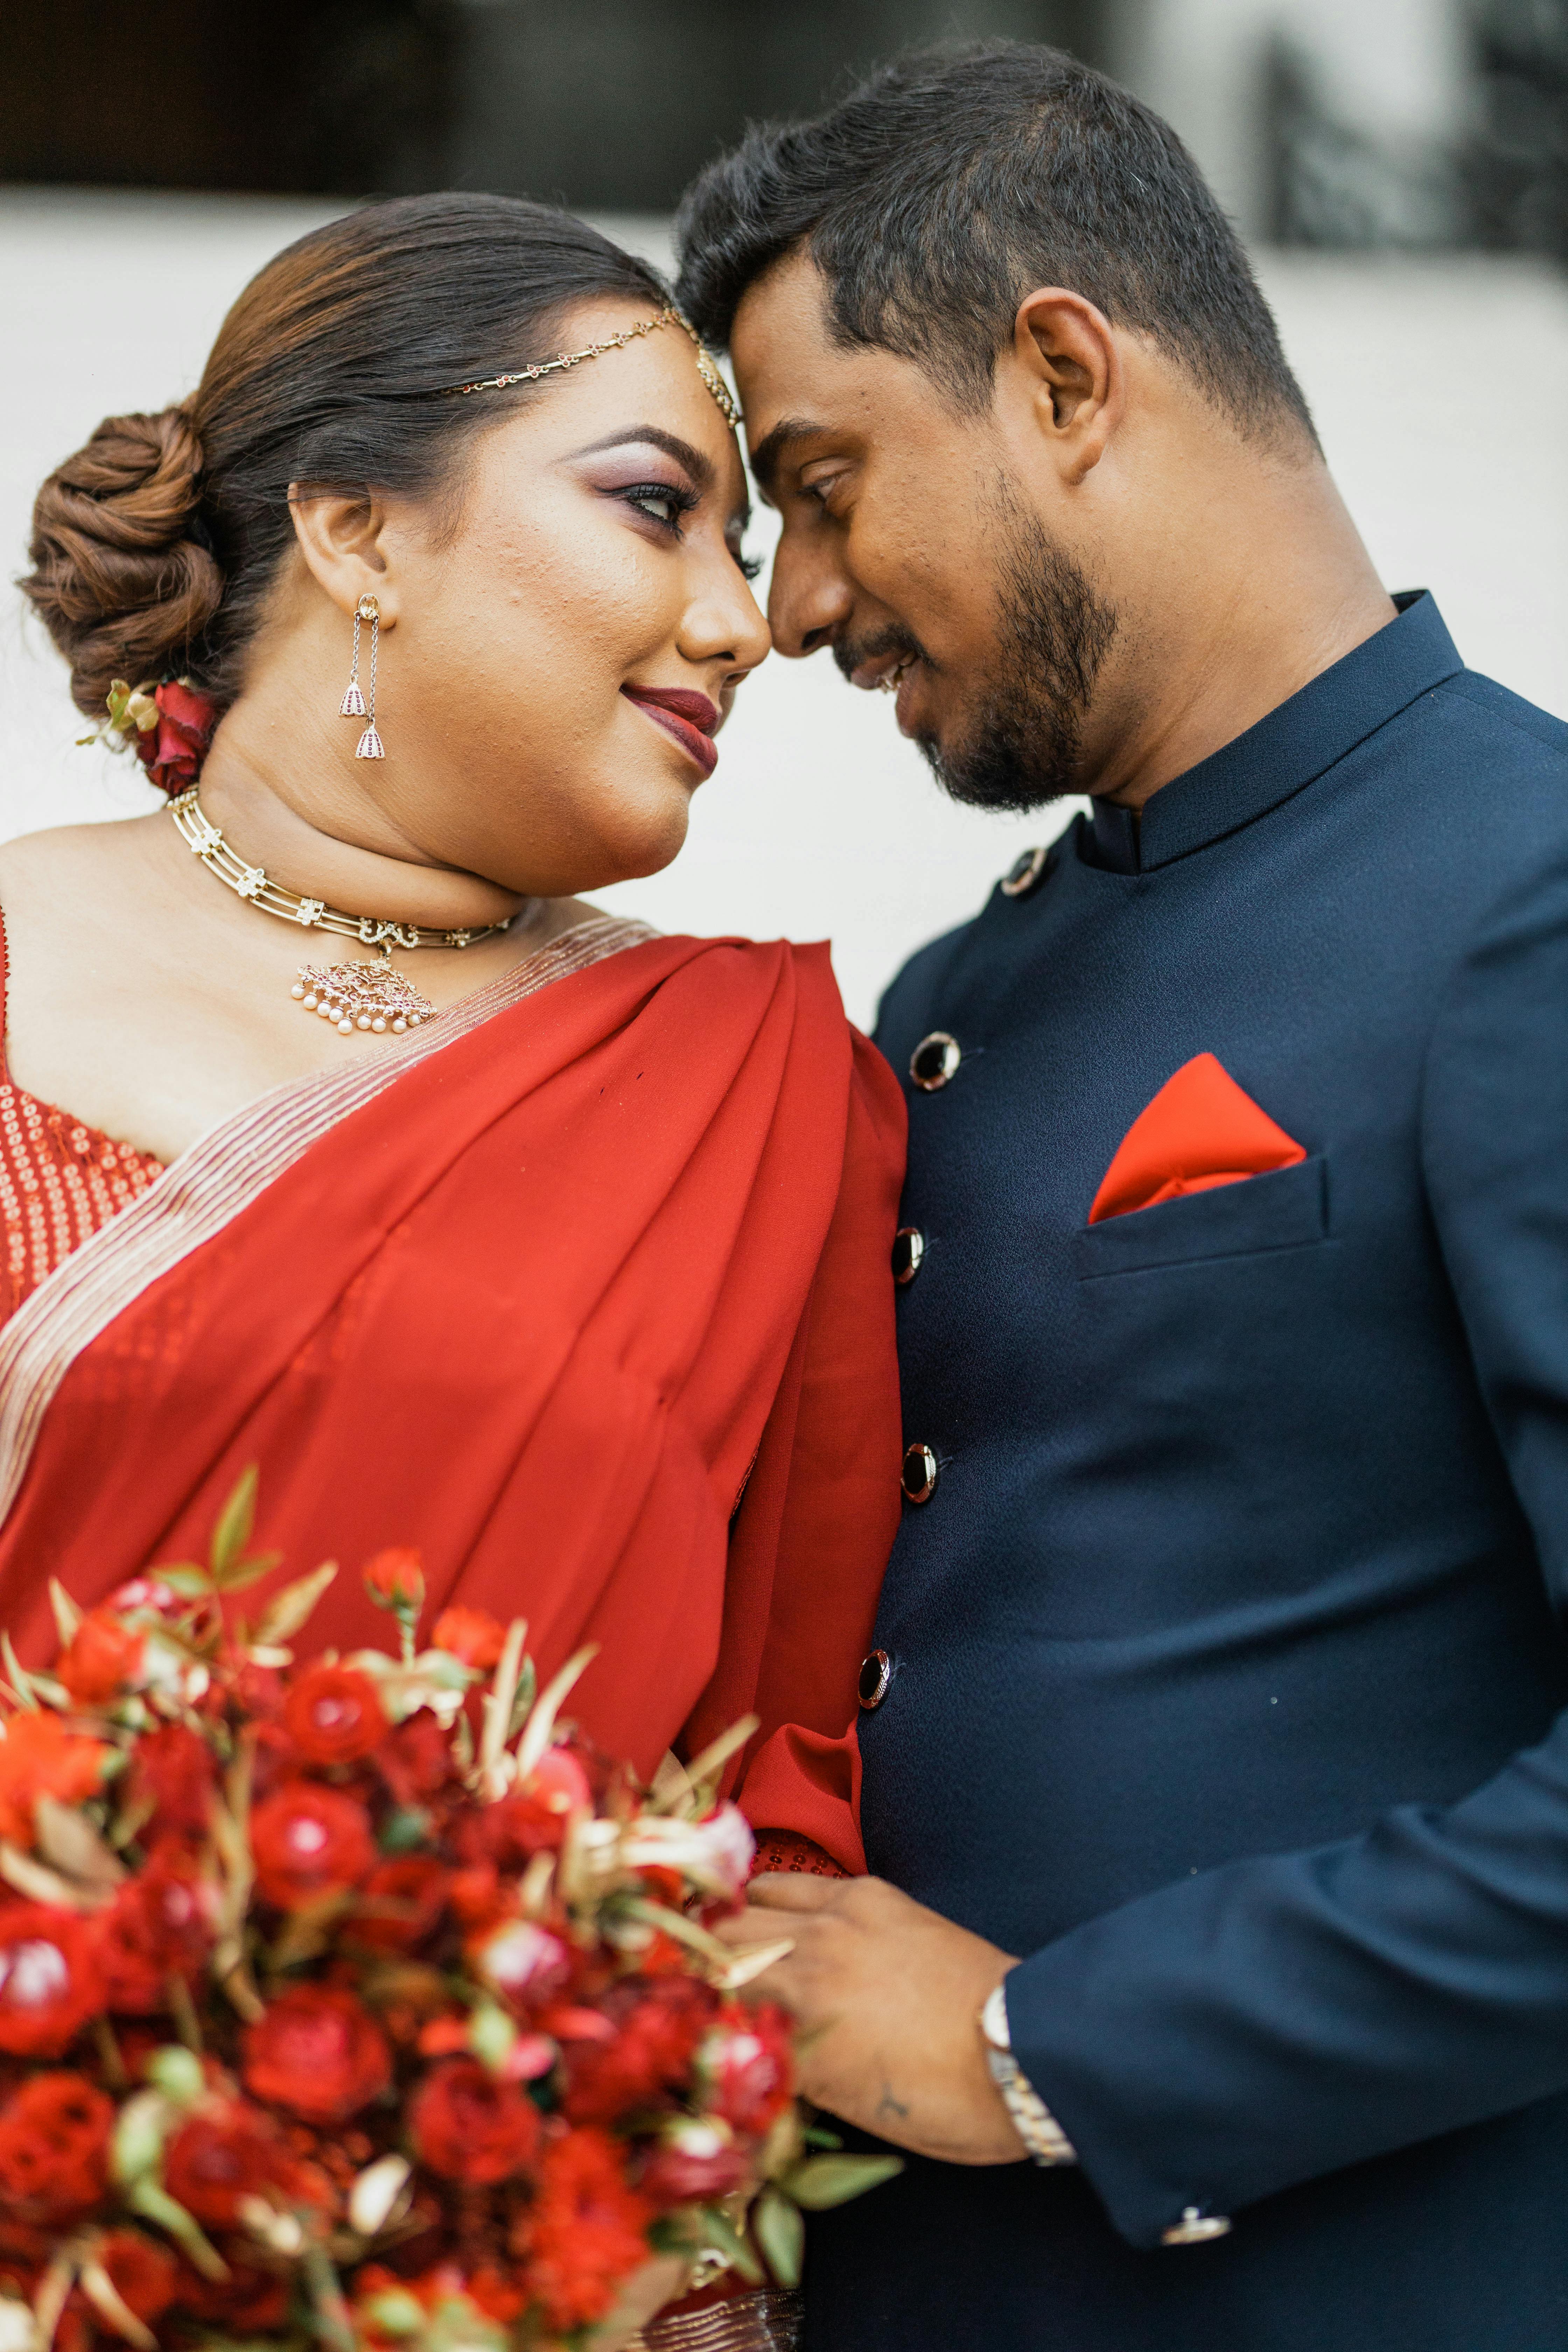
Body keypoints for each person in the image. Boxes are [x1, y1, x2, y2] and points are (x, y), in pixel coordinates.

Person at [676, 39, 1568, 2352]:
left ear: (1064, 373)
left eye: (825, 483)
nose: (791, 605)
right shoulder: (955, 995)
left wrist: (1036, 2053)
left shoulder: (1531, 899)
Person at [0, 192, 904, 2348]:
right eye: (657, 508)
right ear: (356, 528)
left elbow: (772, 1787)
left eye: (745, 537)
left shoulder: (770, 1090)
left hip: (517, 2273)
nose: (744, 618)